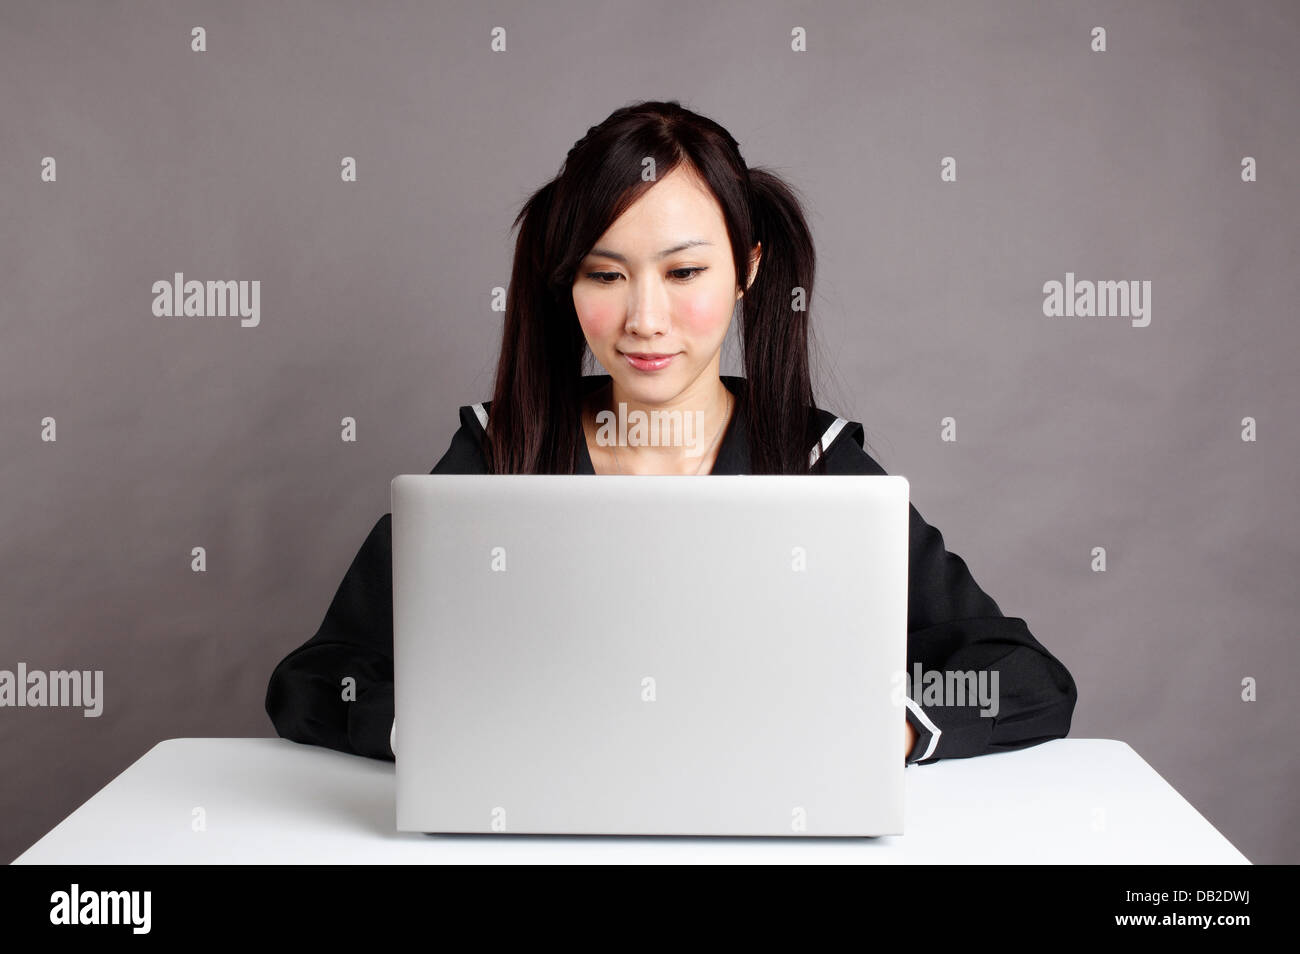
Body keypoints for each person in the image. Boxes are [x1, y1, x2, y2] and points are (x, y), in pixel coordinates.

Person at [265, 100, 1077, 767]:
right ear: (565, 280)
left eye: (684, 272)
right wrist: (445, 739)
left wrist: (885, 730)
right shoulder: (496, 456)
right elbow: (316, 680)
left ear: (748, 269)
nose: (643, 319)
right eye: (604, 274)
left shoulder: (812, 462)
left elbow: (1025, 676)